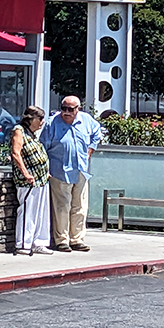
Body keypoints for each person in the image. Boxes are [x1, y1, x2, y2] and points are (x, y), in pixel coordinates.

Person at [40, 95, 102, 252]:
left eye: (70, 109)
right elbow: (43, 147)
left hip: (81, 170)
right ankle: (62, 240)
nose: (66, 112)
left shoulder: (86, 120)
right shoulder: (52, 123)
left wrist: (90, 149)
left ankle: (77, 239)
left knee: (80, 206)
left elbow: (98, 133)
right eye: (63, 108)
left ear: (78, 109)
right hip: (59, 171)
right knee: (62, 206)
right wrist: (45, 169)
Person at [10, 106, 53, 256]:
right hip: (28, 181)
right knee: (28, 211)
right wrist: (26, 173)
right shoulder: (19, 131)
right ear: (31, 119)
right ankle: (23, 243)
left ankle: (38, 242)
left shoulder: (32, 134)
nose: (42, 122)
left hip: (41, 179)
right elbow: (16, 153)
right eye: (40, 118)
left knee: (41, 213)